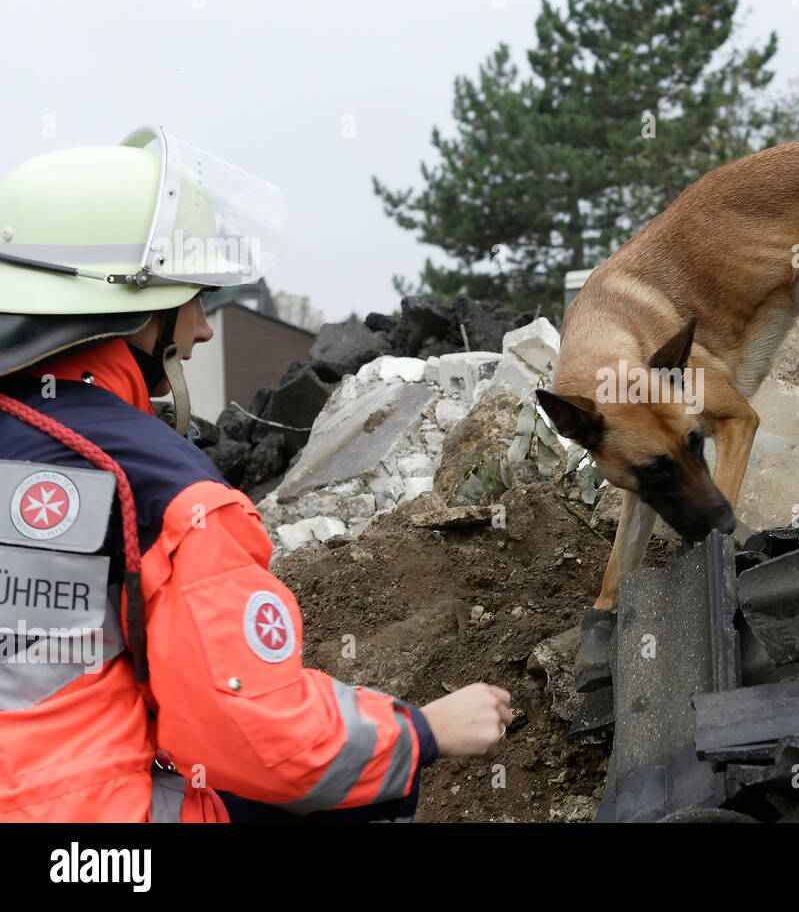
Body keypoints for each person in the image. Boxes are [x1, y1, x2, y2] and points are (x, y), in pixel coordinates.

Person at [0, 126, 511, 822]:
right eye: (196, 300)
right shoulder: (162, 485)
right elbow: (255, 735)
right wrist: (423, 733)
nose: (204, 330)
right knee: (344, 800)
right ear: (135, 307)